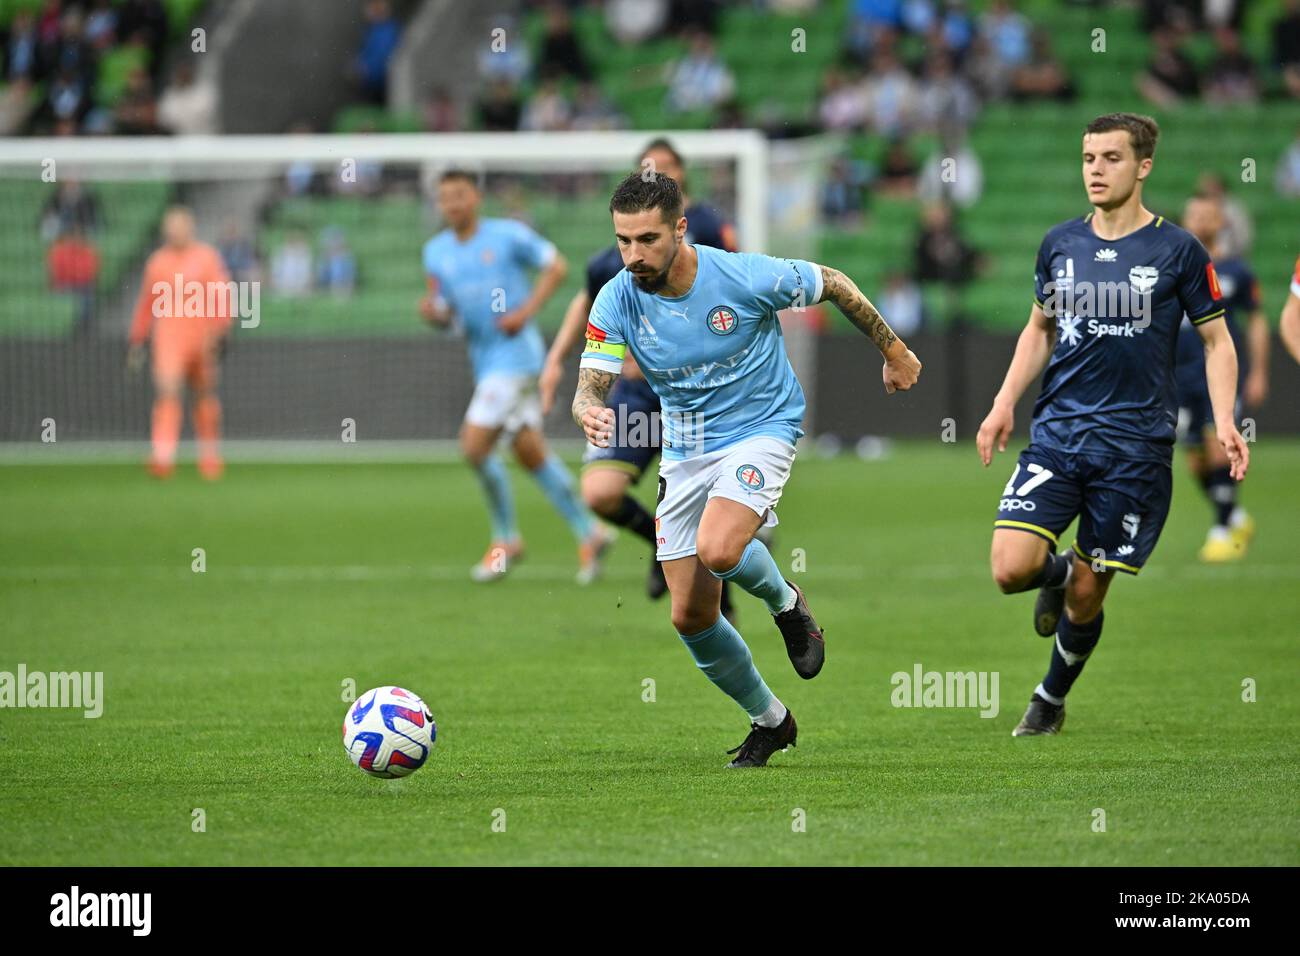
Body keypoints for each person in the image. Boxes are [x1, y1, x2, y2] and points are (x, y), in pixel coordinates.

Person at [572, 172, 921, 767]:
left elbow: (832, 283)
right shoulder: (617, 296)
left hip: (761, 430)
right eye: (624, 241)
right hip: (685, 450)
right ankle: (771, 720)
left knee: (720, 548)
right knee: (690, 615)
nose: (634, 255)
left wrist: (894, 350)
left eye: (648, 239)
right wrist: (587, 408)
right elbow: (592, 382)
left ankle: (787, 603)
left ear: (681, 229)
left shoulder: (740, 275)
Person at [976, 113, 1248, 737]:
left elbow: (1217, 343)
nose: (1095, 170)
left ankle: (1049, 698)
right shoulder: (1059, 245)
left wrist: (1226, 419)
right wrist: (1002, 402)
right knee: (1011, 568)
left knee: (1088, 597)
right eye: (1088, 158)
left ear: (1143, 165)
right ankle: (1060, 568)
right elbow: (1038, 329)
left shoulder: (1178, 250)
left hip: (1136, 449)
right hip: (1059, 435)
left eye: (1110, 158)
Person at [539, 138, 739, 615]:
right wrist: (555, 361)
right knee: (600, 493)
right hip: (640, 395)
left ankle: (721, 598)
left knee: (709, 510)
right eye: (648, 167)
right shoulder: (615, 261)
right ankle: (659, 541)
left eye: (667, 166)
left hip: (697, 397)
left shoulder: (709, 231)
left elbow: (735, 294)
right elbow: (585, 304)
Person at [420, 170, 612, 584]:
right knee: (529, 452)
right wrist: (435, 314)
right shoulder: (435, 252)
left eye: (459, 195)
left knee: (473, 447)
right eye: (444, 197)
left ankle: (506, 539)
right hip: (485, 361)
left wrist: (525, 312)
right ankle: (589, 530)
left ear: (476, 197)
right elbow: (444, 308)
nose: (452, 203)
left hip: (518, 360)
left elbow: (557, 266)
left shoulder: (507, 235)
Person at [1174, 195, 1268, 561]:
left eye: (1208, 215)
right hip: (1180, 377)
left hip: (1220, 377)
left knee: (1218, 443)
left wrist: (1259, 371)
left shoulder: (1236, 272)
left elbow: (1257, 322)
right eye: (1194, 215)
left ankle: (1222, 528)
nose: (1200, 221)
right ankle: (1236, 515)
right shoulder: (1174, 271)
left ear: (1220, 222)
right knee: (1195, 458)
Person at [127, 206, 232, 479]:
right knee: (168, 391)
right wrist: (138, 338)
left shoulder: (207, 257)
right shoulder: (157, 262)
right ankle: (163, 456)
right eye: (170, 226)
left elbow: (221, 295)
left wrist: (221, 330)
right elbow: (146, 304)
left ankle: (209, 456)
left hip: (202, 336)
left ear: (190, 227)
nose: (174, 231)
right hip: (169, 337)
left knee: (204, 393)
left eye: (179, 225)